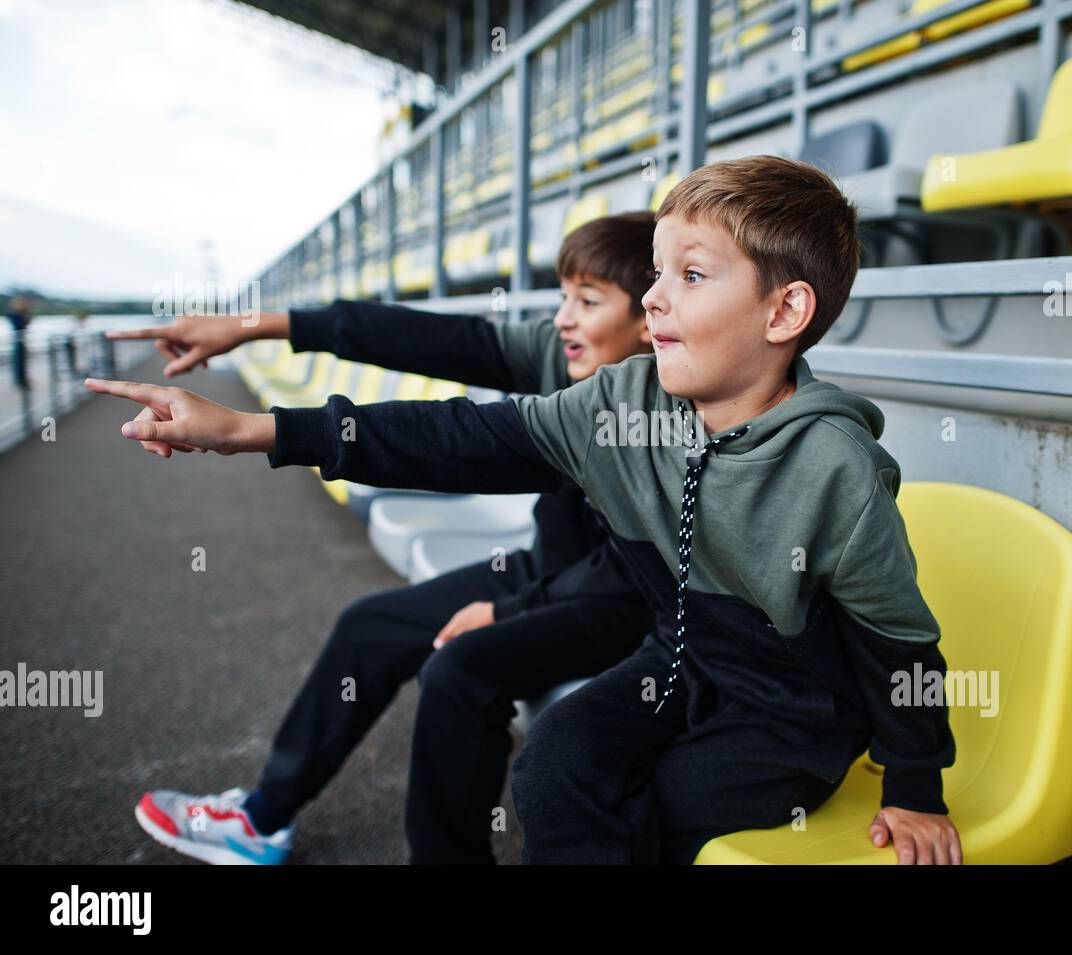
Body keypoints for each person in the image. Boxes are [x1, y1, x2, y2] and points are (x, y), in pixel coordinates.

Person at [86, 156, 962, 864]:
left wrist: (915, 783)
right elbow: (463, 435)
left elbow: (900, 640)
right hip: (678, 666)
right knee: (551, 764)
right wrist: (256, 428)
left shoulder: (837, 469)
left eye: (688, 276)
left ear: (786, 310)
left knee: (664, 803)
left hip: (786, 716)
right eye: (655, 274)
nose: (654, 297)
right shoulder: (620, 401)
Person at [104, 211, 658, 864]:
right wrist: (251, 327)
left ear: (650, 320)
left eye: (587, 301)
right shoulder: (563, 357)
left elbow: (629, 576)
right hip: (552, 569)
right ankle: (260, 819)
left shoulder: (665, 415)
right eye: (564, 295)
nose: (562, 317)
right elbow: (421, 338)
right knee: (371, 623)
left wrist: (508, 611)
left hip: (620, 603)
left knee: (460, 669)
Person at [6, 295, 31, 392]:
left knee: (22, 361)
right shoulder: (14, 314)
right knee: (18, 361)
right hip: (17, 340)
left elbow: (27, 323)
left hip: (22, 339)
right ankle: (20, 381)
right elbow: (21, 324)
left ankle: (22, 380)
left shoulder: (21, 314)